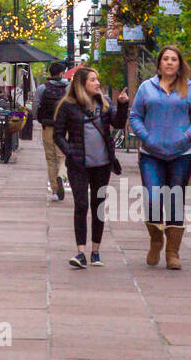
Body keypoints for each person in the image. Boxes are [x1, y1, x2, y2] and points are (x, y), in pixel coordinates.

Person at [129, 45, 191, 270]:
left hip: (181, 154)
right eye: (166, 59)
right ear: (159, 64)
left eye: (174, 59)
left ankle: (173, 252)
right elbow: (135, 116)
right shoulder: (146, 88)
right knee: (153, 197)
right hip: (150, 154)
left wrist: (188, 135)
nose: (170, 63)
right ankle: (156, 240)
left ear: (180, 64)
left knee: (175, 200)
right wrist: (145, 136)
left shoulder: (189, 89)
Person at [53, 66, 130, 269]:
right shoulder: (68, 106)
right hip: (79, 165)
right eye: (93, 80)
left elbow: (119, 124)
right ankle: (81, 253)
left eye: (97, 80)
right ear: (82, 84)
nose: (97, 83)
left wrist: (123, 105)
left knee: (98, 206)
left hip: (102, 164)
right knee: (81, 205)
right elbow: (58, 134)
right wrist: (71, 152)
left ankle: (95, 251)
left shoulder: (104, 104)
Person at [33, 61, 70, 201]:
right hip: (63, 127)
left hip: (48, 127)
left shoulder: (42, 88)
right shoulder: (69, 87)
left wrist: (38, 118)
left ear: (50, 73)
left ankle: (55, 189)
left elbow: (36, 106)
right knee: (62, 156)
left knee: (50, 158)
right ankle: (61, 175)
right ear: (62, 73)